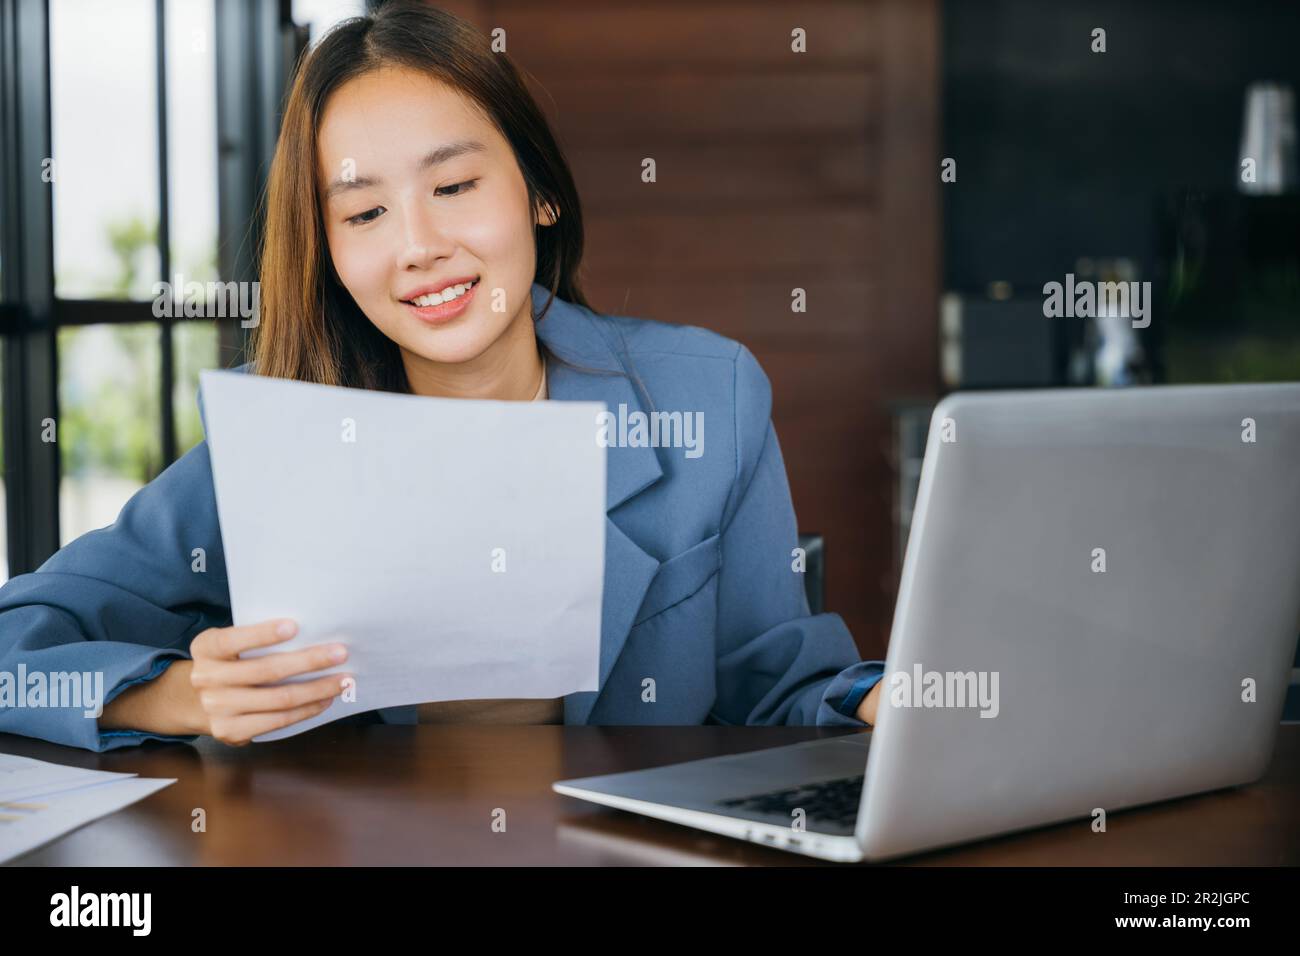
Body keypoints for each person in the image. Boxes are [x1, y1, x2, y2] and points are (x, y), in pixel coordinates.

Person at [0, 0, 885, 752]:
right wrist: (179, 694)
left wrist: (884, 701)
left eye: (455, 186)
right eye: (367, 211)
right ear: (329, 252)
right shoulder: (277, 440)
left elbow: (782, 685)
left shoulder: (708, 396)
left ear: (540, 192)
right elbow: (14, 649)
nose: (419, 247)